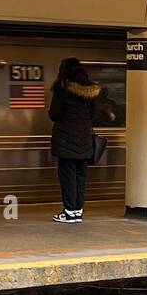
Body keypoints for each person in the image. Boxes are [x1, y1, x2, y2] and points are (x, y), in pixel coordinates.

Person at [49, 58, 101, 223]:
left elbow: (54, 114)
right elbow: (93, 116)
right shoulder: (90, 92)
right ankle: (78, 210)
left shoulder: (63, 89)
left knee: (67, 176)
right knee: (80, 176)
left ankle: (69, 211)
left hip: (66, 141)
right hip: (84, 141)